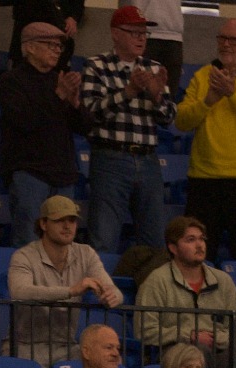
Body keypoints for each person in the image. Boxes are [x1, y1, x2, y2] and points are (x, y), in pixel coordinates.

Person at [173, 20, 236, 263]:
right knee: (198, 258)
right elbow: (182, 121)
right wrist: (208, 100)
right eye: (222, 39)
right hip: (205, 181)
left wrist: (233, 93)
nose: (226, 45)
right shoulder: (202, 77)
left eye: (233, 40)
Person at [80, 6, 175, 255]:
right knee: (104, 237)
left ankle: (150, 293)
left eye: (144, 33)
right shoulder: (96, 66)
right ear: (115, 34)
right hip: (111, 157)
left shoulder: (154, 69)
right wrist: (128, 92)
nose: (141, 38)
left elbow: (169, 118)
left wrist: (156, 96)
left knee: (153, 240)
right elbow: (91, 113)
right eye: (134, 32)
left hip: (148, 159)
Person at [0, 22, 92, 244]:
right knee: (29, 242)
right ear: (29, 47)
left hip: (63, 173)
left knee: (62, 243)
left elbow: (86, 127)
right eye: (50, 44)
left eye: (59, 45)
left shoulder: (59, 80)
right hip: (30, 173)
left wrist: (75, 102)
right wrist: (58, 96)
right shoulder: (12, 81)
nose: (57, 50)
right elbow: (25, 121)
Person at [6, 195, 123, 367]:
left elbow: (113, 290)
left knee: (110, 366)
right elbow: (20, 292)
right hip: (24, 345)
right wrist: (70, 291)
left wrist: (113, 297)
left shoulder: (86, 253)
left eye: (72, 220)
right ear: (43, 224)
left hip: (67, 347)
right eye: (59, 220)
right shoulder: (23, 256)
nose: (67, 226)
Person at [136, 216, 236, 368]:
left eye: (202, 239)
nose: (199, 245)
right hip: (174, 354)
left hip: (220, 351)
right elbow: (144, 330)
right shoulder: (157, 281)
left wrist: (215, 338)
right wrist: (189, 336)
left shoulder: (223, 280)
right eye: (190, 240)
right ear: (173, 248)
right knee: (198, 352)